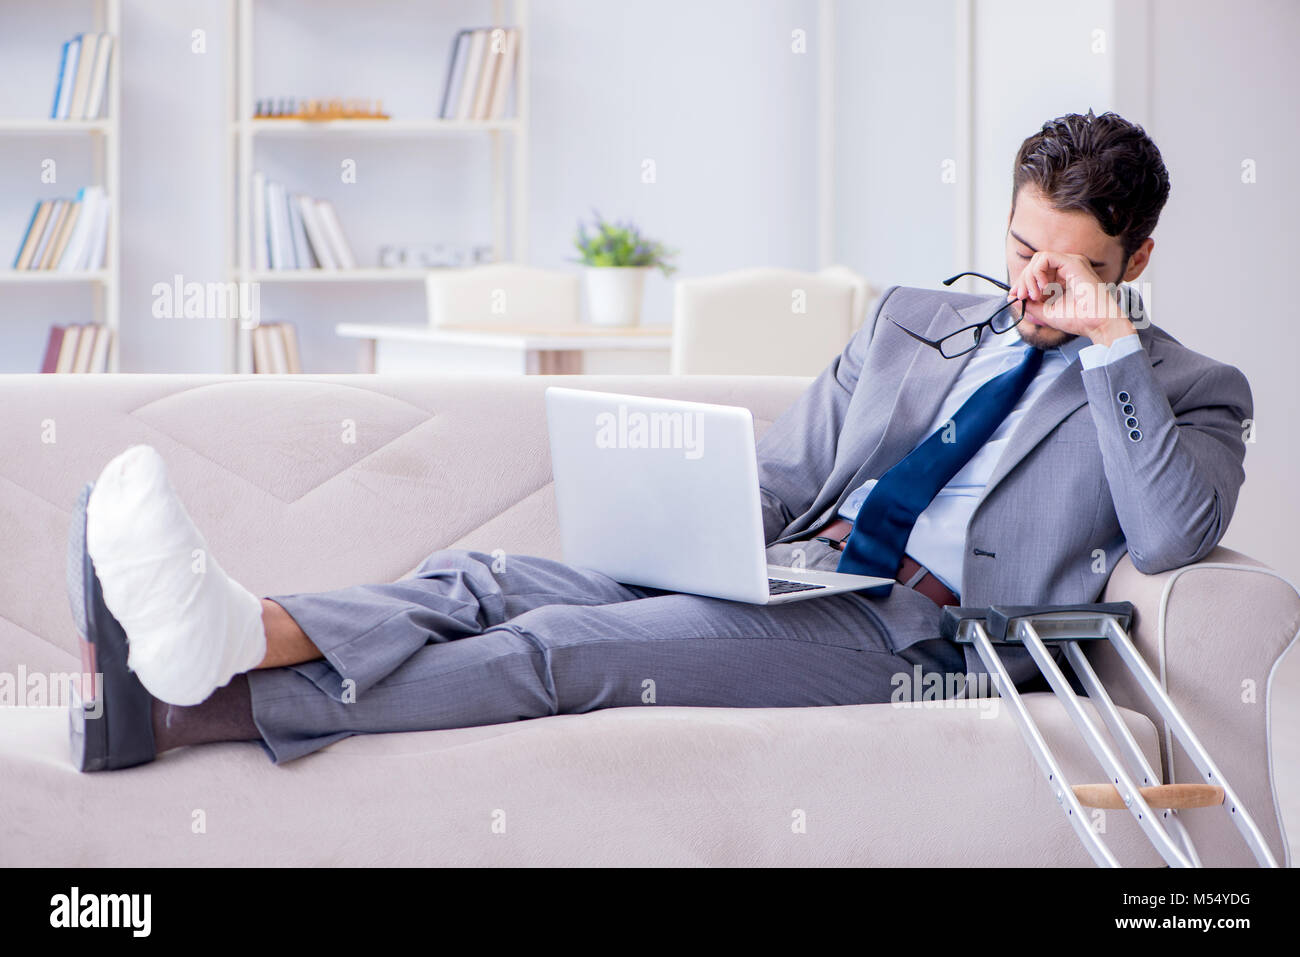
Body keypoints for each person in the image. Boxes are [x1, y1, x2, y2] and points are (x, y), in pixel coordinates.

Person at [70, 110, 1251, 771]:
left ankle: (192, 708)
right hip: (798, 569)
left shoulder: (1189, 389)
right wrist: (692, 533)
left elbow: (1169, 527)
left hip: (919, 633)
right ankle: (235, 629)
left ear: (1134, 259)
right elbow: (790, 478)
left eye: (1072, 269)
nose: (1032, 286)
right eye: (1017, 249)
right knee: (488, 577)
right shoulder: (914, 320)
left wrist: (1104, 346)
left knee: (568, 648)